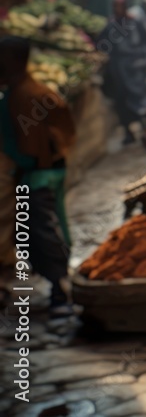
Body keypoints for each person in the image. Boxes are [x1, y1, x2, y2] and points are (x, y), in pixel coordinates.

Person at [0, 35, 76, 316]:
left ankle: (60, 290)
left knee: (40, 231)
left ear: (12, 60)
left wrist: (27, 163)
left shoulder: (26, 95)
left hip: (36, 174)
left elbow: (35, 143)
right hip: (41, 171)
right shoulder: (27, 91)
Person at [97, 0, 146, 147]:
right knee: (122, 101)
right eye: (115, 6)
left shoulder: (135, 22)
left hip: (136, 68)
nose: (117, 9)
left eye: (120, 6)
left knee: (141, 100)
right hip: (119, 70)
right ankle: (128, 132)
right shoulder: (110, 26)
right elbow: (102, 45)